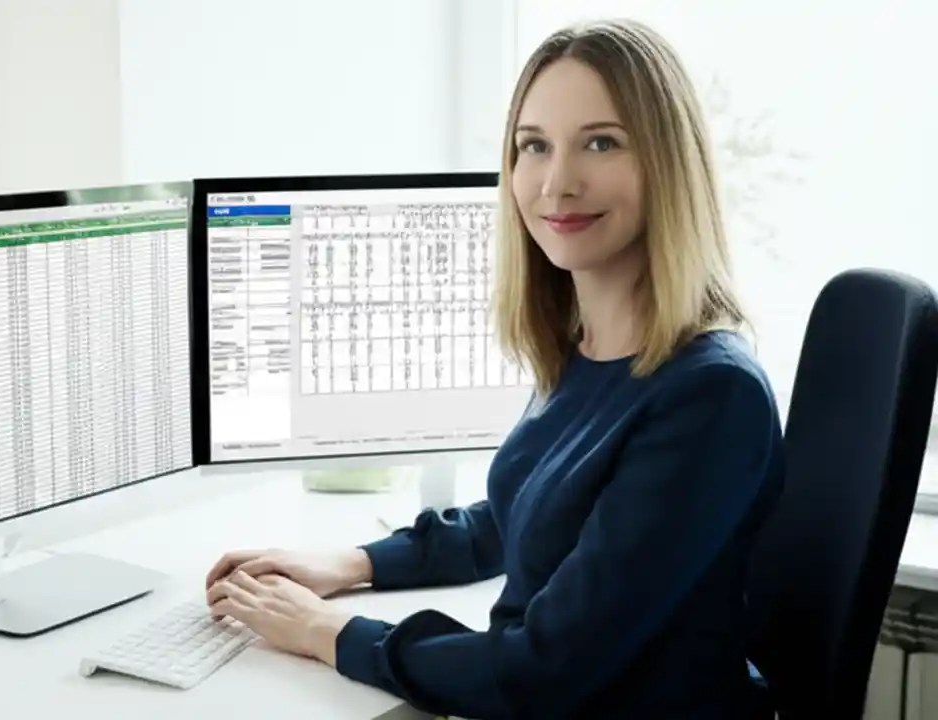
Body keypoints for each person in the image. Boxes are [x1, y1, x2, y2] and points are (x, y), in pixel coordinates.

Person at [204, 17, 784, 719]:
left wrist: (326, 631)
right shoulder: (584, 348)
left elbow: (541, 672)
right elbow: (524, 516)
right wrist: (351, 565)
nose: (557, 182)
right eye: (533, 146)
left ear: (669, 162)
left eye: (601, 142)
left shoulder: (709, 396)